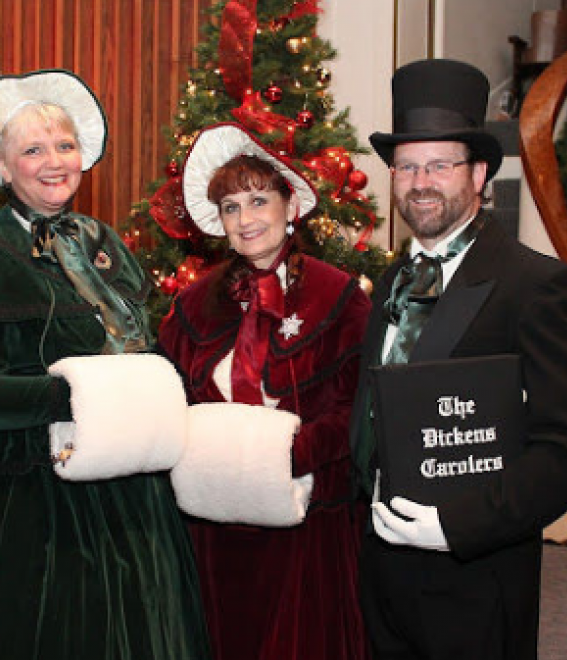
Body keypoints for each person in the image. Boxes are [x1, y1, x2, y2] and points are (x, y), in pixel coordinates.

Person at [0, 69, 211, 659]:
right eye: (33, 149)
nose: (54, 161)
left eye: (64, 146)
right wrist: (77, 397)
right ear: (3, 165)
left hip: (135, 499)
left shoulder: (105, 242)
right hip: (37, 509)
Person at [350, 58, 567, 660]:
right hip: (383, 568)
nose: (420, 182)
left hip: (474, 579)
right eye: (406, 166)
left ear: (480, 172)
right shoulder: (390, 283)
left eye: (439, 164)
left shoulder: (536, 285)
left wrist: (455, 528)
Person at [158, 122, 371, 660]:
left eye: (258, 199)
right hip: (214, 524)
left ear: (289, 204)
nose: (246, 219)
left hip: (306, 520)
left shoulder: (340, 298)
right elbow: (169, 401)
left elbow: (359, 408)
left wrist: (287, 456)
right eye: (231, 207)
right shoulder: (194, 306)